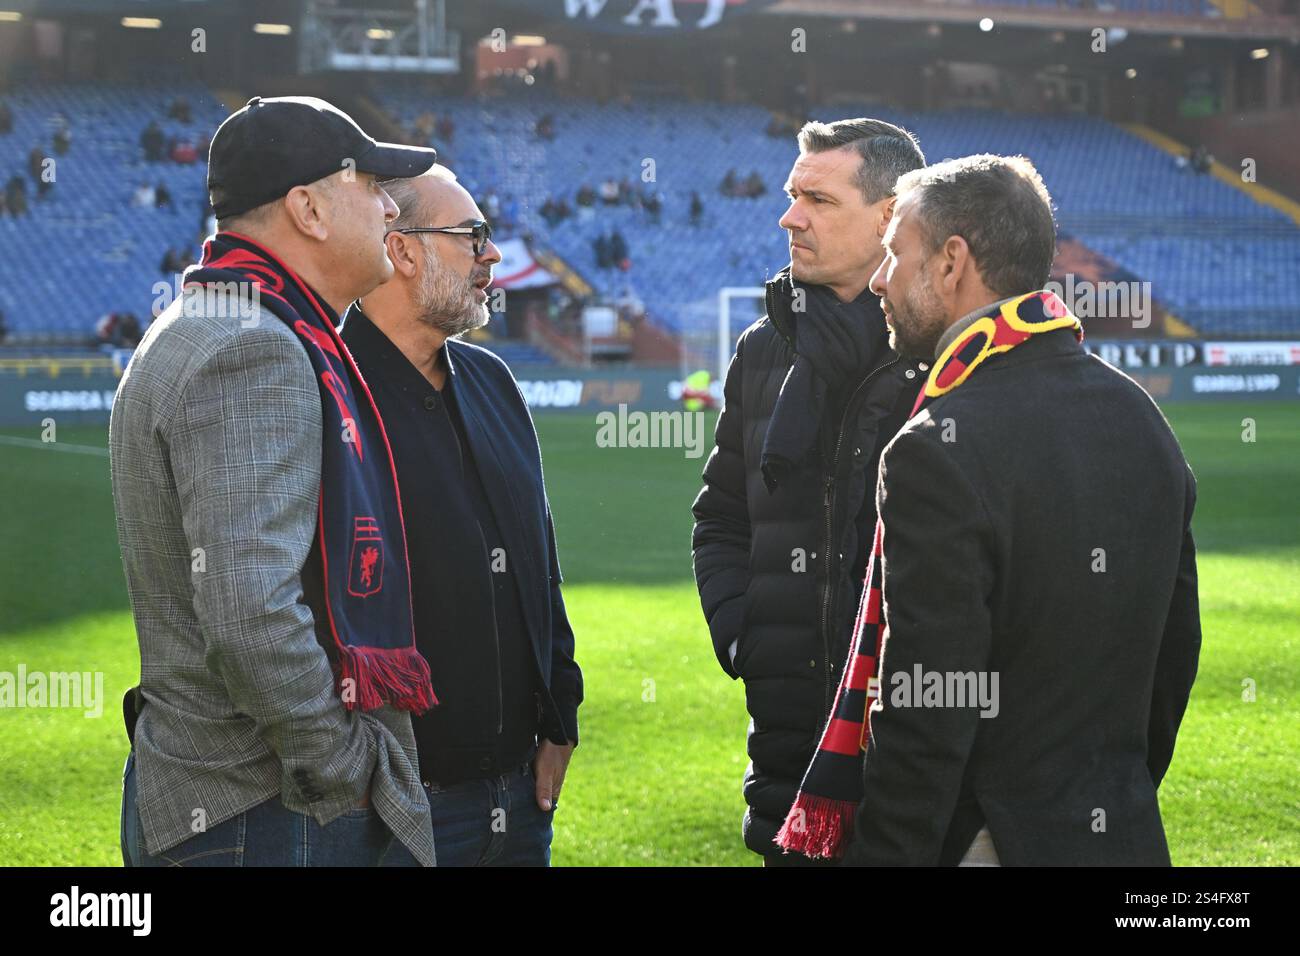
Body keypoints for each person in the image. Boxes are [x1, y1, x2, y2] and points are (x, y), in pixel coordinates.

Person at [784, 154, 1201, 866]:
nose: (880, 281)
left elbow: (926, 709)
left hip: (986, 841)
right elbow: (1174, 656)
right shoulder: (1141, 416)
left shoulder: (937, 445)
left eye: (895, 254)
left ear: (951, 263)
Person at [110, 95, 439, 867]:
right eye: (372, 185)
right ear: (309, 209)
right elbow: (246, 606)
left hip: (235, 803)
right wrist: (340, 766)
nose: (391, 206)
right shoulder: (254, 346)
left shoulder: (221, 318)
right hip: (263, 808)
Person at [691, 118, 927, 866]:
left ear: (890, 216)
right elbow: (721, 516)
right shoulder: (764, 348)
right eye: (794, 195)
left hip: (921, 758)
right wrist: (744, 635)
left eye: (817, 200)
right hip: (789, 768)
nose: (788, 217)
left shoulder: (946, 354)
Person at [340, 165, 582, 866]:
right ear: (403, 249)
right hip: (388, 804)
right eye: (472, 235)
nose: (493, 254)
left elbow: (540, 563)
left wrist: (561, 715)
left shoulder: (492, 381)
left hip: (519, 797)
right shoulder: (326, 387)